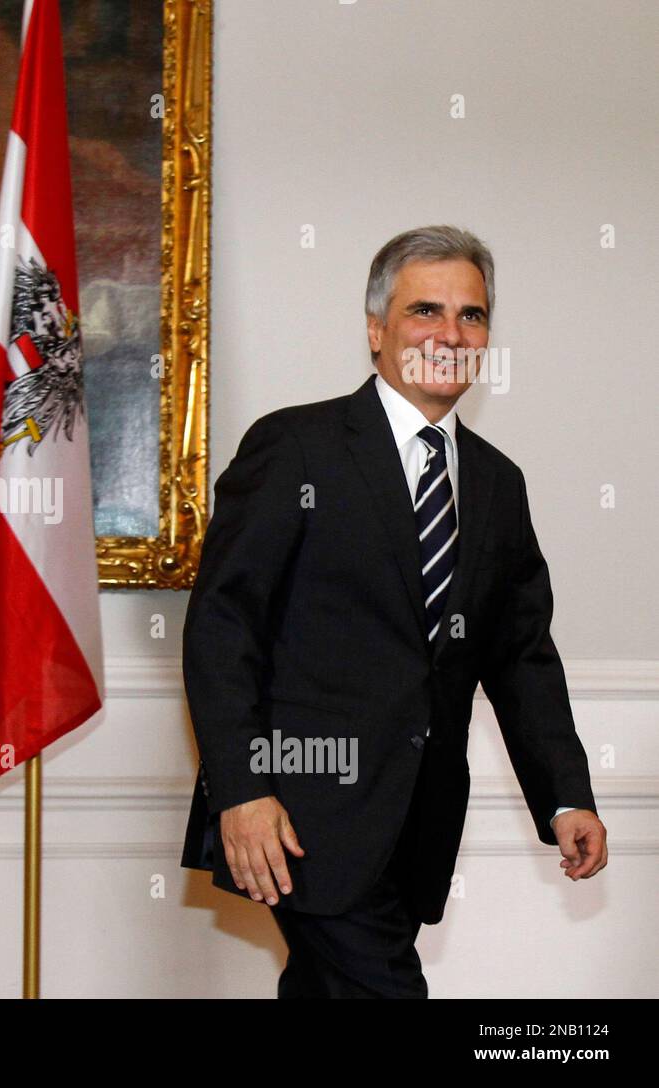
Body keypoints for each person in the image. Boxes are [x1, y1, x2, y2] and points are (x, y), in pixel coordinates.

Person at [180, 225, 606, 998]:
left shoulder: (497, 484)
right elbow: (222, 626)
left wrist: (566, 793)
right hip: (298, 814)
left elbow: (521, 657)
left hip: (415, 827)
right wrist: (239, 790)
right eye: (426, 311)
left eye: (471, 316)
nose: (450, 334)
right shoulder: (296, 448)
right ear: (377, 329)